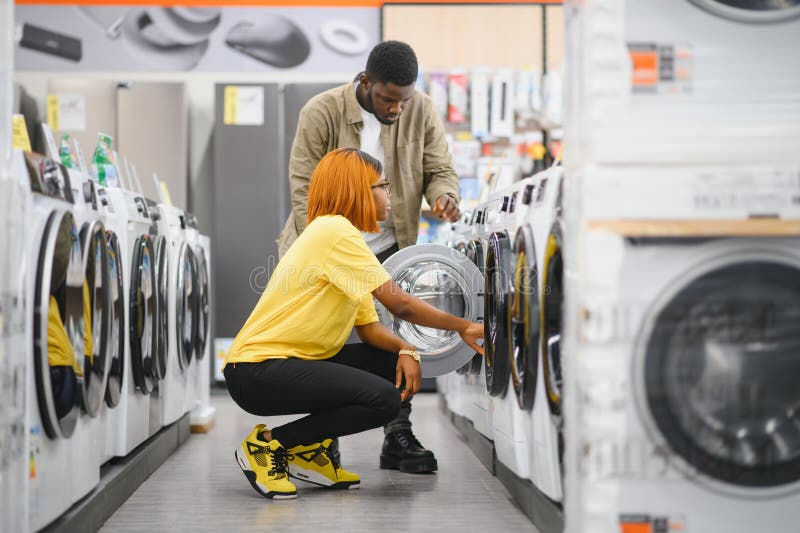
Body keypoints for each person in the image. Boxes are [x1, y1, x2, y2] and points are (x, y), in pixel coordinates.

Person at [225, 148, 483, 499]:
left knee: (389, 365)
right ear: (358, 190)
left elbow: (370, 329)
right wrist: (463, 326)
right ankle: (269, 445)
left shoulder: (344, 240)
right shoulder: (334, 231)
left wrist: (408, 349)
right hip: (257, 371)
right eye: (383, 186)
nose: (389, 196)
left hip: (289, 365)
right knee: (384, 400)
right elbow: (401, 305)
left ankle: (307, 451)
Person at [277, 40, 461, 473]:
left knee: (399, 339)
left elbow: (439, 169)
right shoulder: (321, 112)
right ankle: (323, 437)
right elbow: (304, 188)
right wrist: (327, 251)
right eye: (386, 99)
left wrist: (445, 196)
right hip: (323, 247)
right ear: (365, 82)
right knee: (326, 341)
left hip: (391, 247)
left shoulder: (420, 109)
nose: (396, 109)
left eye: (403, 100)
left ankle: (397, 435)